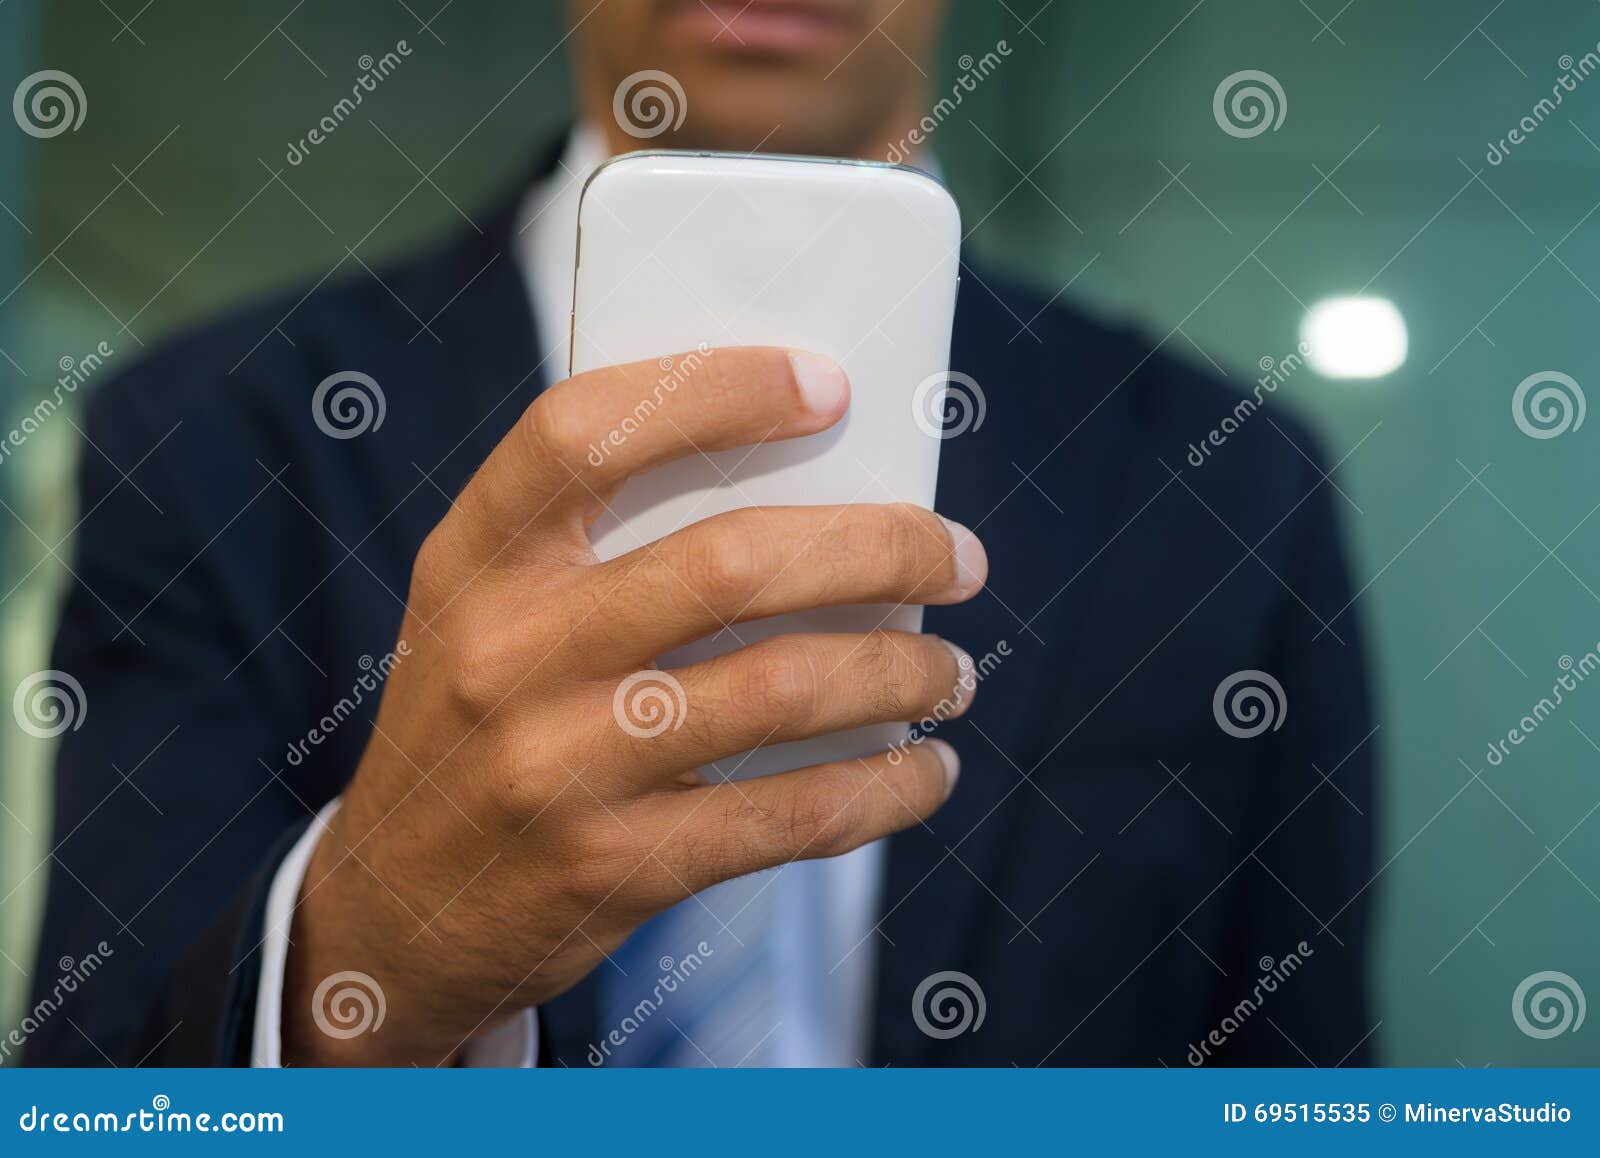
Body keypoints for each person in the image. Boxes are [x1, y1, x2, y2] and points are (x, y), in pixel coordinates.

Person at [26, 0, 1376, 1067]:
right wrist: (363, 963)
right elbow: (93, 1088)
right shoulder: (214, 430)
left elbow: (1302, 1077)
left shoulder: (1229, 479)